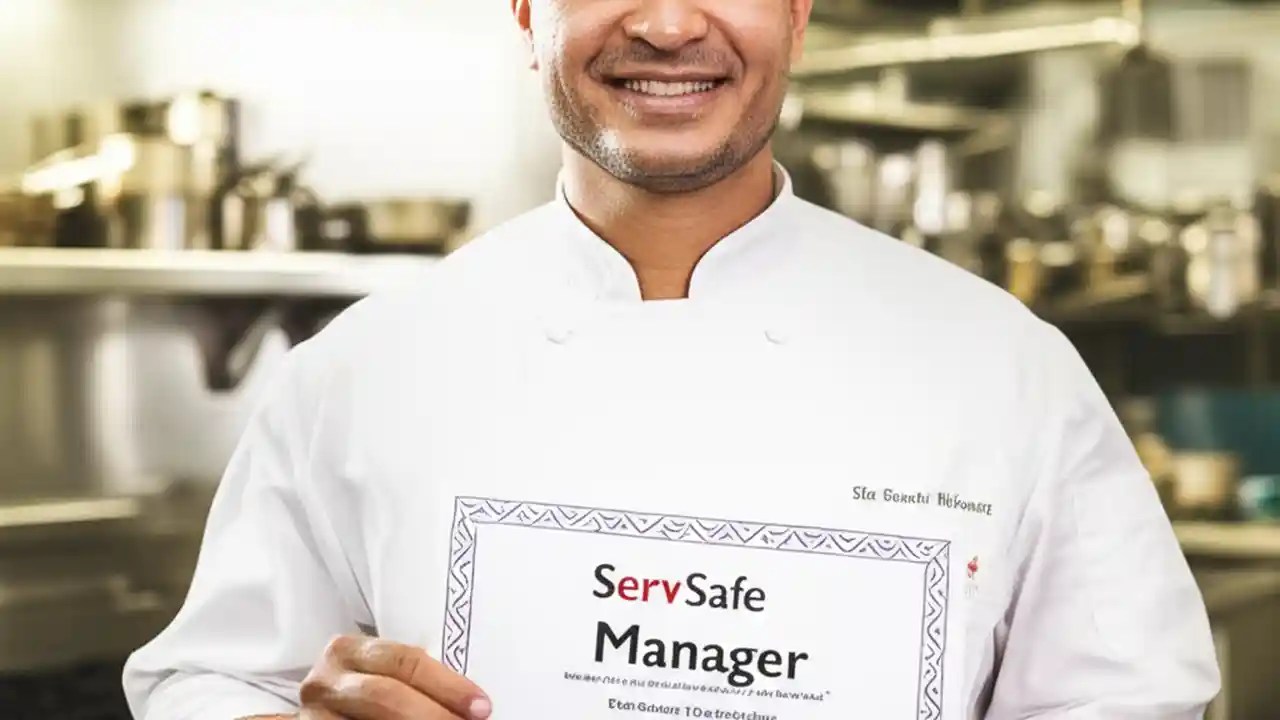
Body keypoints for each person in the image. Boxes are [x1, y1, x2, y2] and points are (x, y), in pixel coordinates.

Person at [123, 0, 1221, 718]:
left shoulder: (1005, 368)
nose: (665, 23)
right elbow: (208, 681)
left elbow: (1131, 699)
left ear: (796, 14)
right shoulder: (363, 367)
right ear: (525, 12)